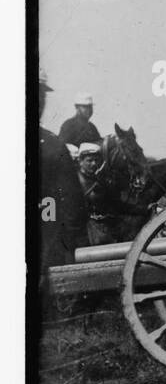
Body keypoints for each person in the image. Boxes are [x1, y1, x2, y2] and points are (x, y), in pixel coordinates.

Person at [37, 72, 87, 282]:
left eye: (41, 96)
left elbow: (72, 201)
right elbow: (72, 201)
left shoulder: (52, 144)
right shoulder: (52, 144)